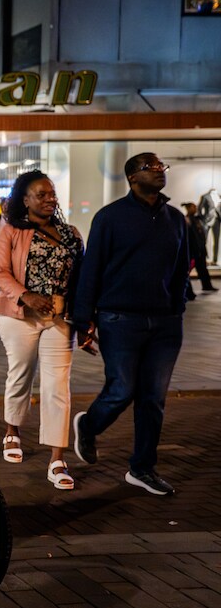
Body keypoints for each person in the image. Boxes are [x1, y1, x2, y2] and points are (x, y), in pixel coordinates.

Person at [72, 153, 190, 496]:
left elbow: (183, 269)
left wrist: (177, 305)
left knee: (153, 399)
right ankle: (89, 425)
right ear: (132, 178)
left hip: (166, 323)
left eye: (161, 167)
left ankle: (142, 468)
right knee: (122, 389)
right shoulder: (110, 218)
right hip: (119, 319)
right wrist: (84, 320)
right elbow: (90, 269)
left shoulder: (175, 219)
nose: (159, 172)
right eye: (150, 168)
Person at [0, 171, 84, 490]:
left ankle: (57, 458)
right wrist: (25, 294)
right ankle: (12, 431)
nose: (49, 199)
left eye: (52, 193)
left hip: (60, 318)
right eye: (41, 194)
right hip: (20, 316)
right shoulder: (11, 230)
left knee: (58, 385)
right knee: (21, 374)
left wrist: (86, 319)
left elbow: (80, 280)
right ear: (25, 199)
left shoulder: (70, 234)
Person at [182, 202, 217, 294]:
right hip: (192, 250)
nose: (196, 209)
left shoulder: (197, 220)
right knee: (186, 270)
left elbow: (200, 235)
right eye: (193, 207)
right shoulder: (186, 220)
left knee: (203, 269)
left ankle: (207, 285)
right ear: (188, 208)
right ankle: (188, 292)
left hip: (200, 249)